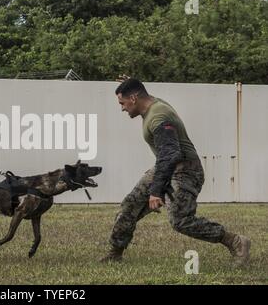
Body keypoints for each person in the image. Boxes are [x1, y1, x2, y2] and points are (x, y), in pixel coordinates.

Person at [101, 78, 251, 267]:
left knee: (180, 221)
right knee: (130, 205)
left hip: (186, 170)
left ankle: (236, 241)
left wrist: (156, 192)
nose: (122, 108)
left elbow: (171, 154)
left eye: (122, 103)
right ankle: (115, 253)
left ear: (133, 97)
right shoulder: (151, 105)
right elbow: (167, 157)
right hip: (166, 166)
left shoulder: (158, 116)